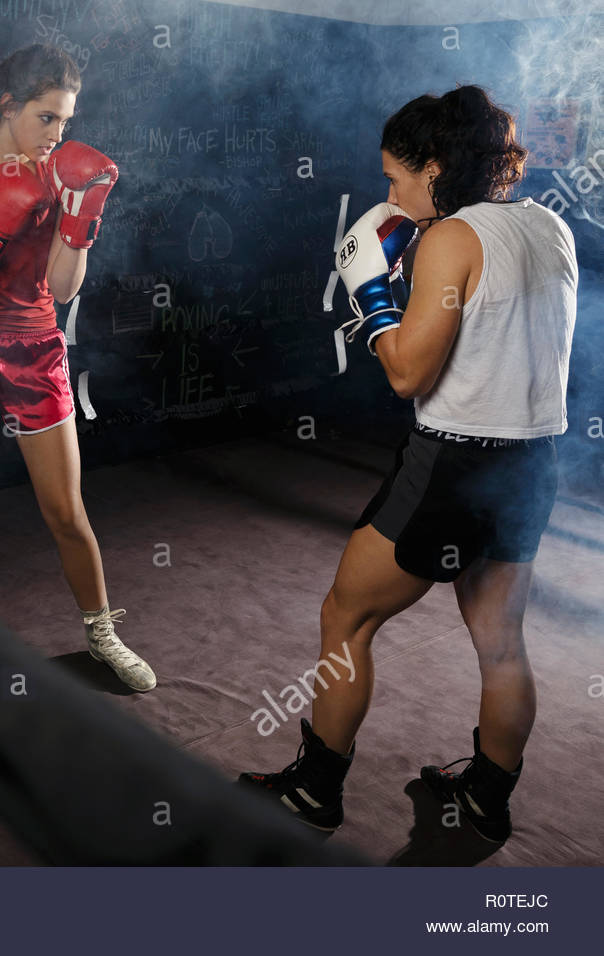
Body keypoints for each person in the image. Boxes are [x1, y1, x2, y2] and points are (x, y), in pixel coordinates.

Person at [238, 86, 577, 843]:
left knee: (346, 616)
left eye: (397, 178)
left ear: (437, 165)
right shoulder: (550, 225)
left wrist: (373, 298)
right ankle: (487, 797)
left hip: (453, 462)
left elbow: (406, 374)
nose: (390, 196)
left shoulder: (453, 237)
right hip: (530, 466)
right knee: (502, 643)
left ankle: (314, 791)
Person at [0, 44, 156, 692]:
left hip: (32, 345)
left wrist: (79, 222)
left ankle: (102, 634)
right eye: (47, 119)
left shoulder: (63, 176)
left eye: (66, 123)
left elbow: (66, 287)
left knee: (65, 511)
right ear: (8, 106)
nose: (58, 135)